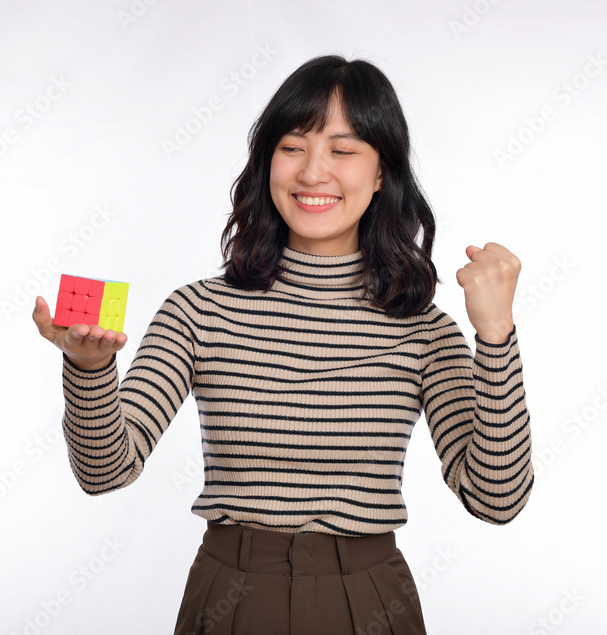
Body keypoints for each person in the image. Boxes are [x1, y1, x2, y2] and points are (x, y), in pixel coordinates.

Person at [32, 54, 534, 635]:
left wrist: (495, 338)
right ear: (267, 160)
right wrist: (90, 367)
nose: (312, 172)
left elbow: (497, 500)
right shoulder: (198, 309)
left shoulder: (423, 330)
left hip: (369, 600)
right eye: (293, 146)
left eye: (343, 151)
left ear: (380, 175)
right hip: (232, 594)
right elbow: (106, 472)